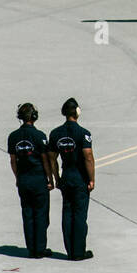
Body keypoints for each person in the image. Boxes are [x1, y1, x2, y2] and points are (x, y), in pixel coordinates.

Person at [7, 103, 54, 259]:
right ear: (34, 116)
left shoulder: (13, 136)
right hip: (38, 180)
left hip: (24, 180)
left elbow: (13, 161)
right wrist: (50, 178)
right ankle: (40, 248)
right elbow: (45, 160)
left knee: (27, 214)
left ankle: (31, 248)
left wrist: (18, 178)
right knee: (41, 214)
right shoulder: (40, 136)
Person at [49, 97, 94, 260]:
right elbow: (88, 157)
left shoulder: (55, 134)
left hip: (66, 176)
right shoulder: (84, 133)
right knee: (80, 214)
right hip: (80, 177)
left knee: (67, 213)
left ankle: (69, 250)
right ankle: (79, 251)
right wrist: (91, 179)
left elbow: (52, 159)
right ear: (77, 112)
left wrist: (56, 178)